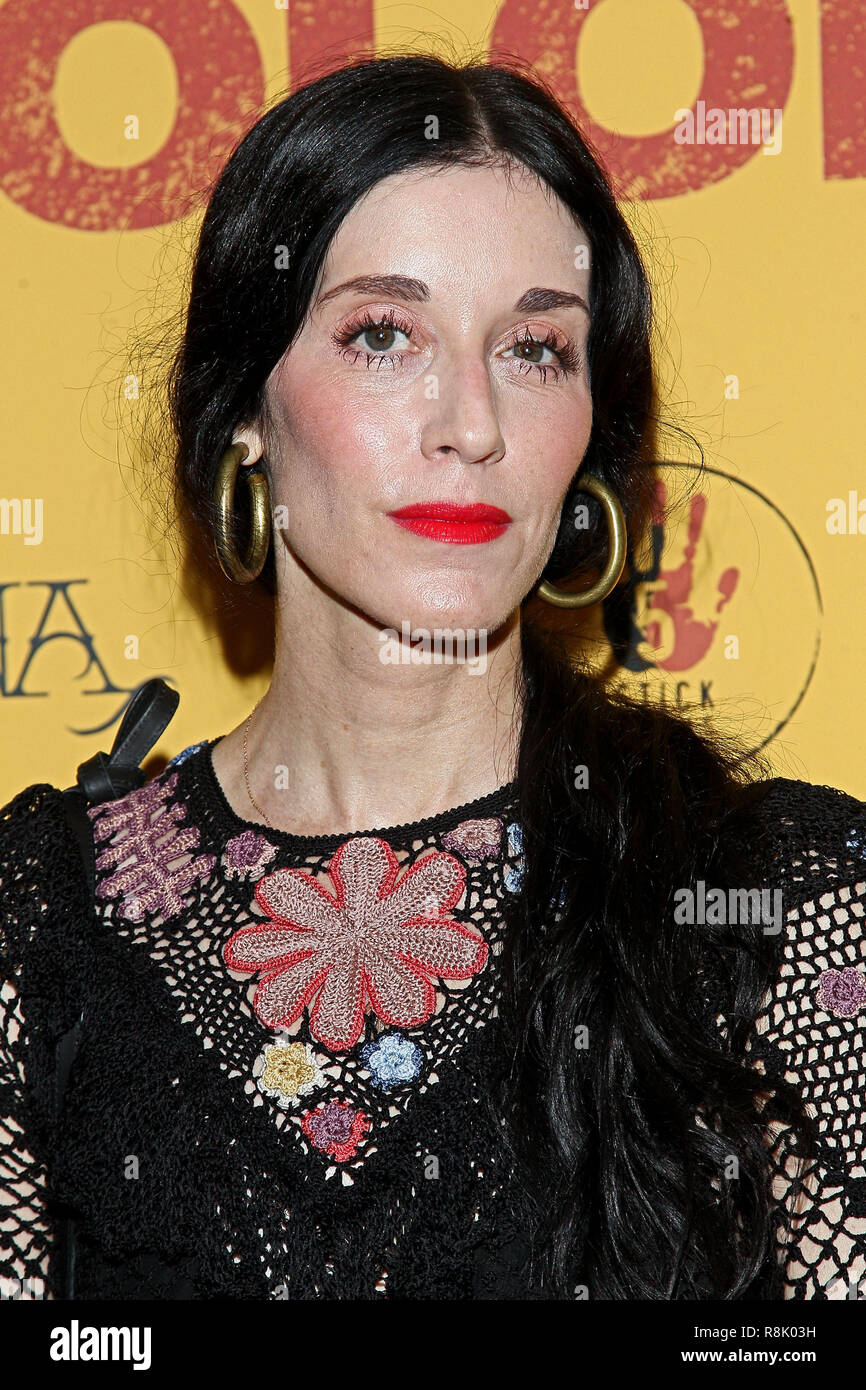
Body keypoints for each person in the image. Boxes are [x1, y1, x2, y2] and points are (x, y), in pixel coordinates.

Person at [1, 52, 864, 1302]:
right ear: (245, 408)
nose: (471, 423)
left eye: (531, 349)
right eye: (382, 334)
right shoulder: (42, 921)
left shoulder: (770, 902)